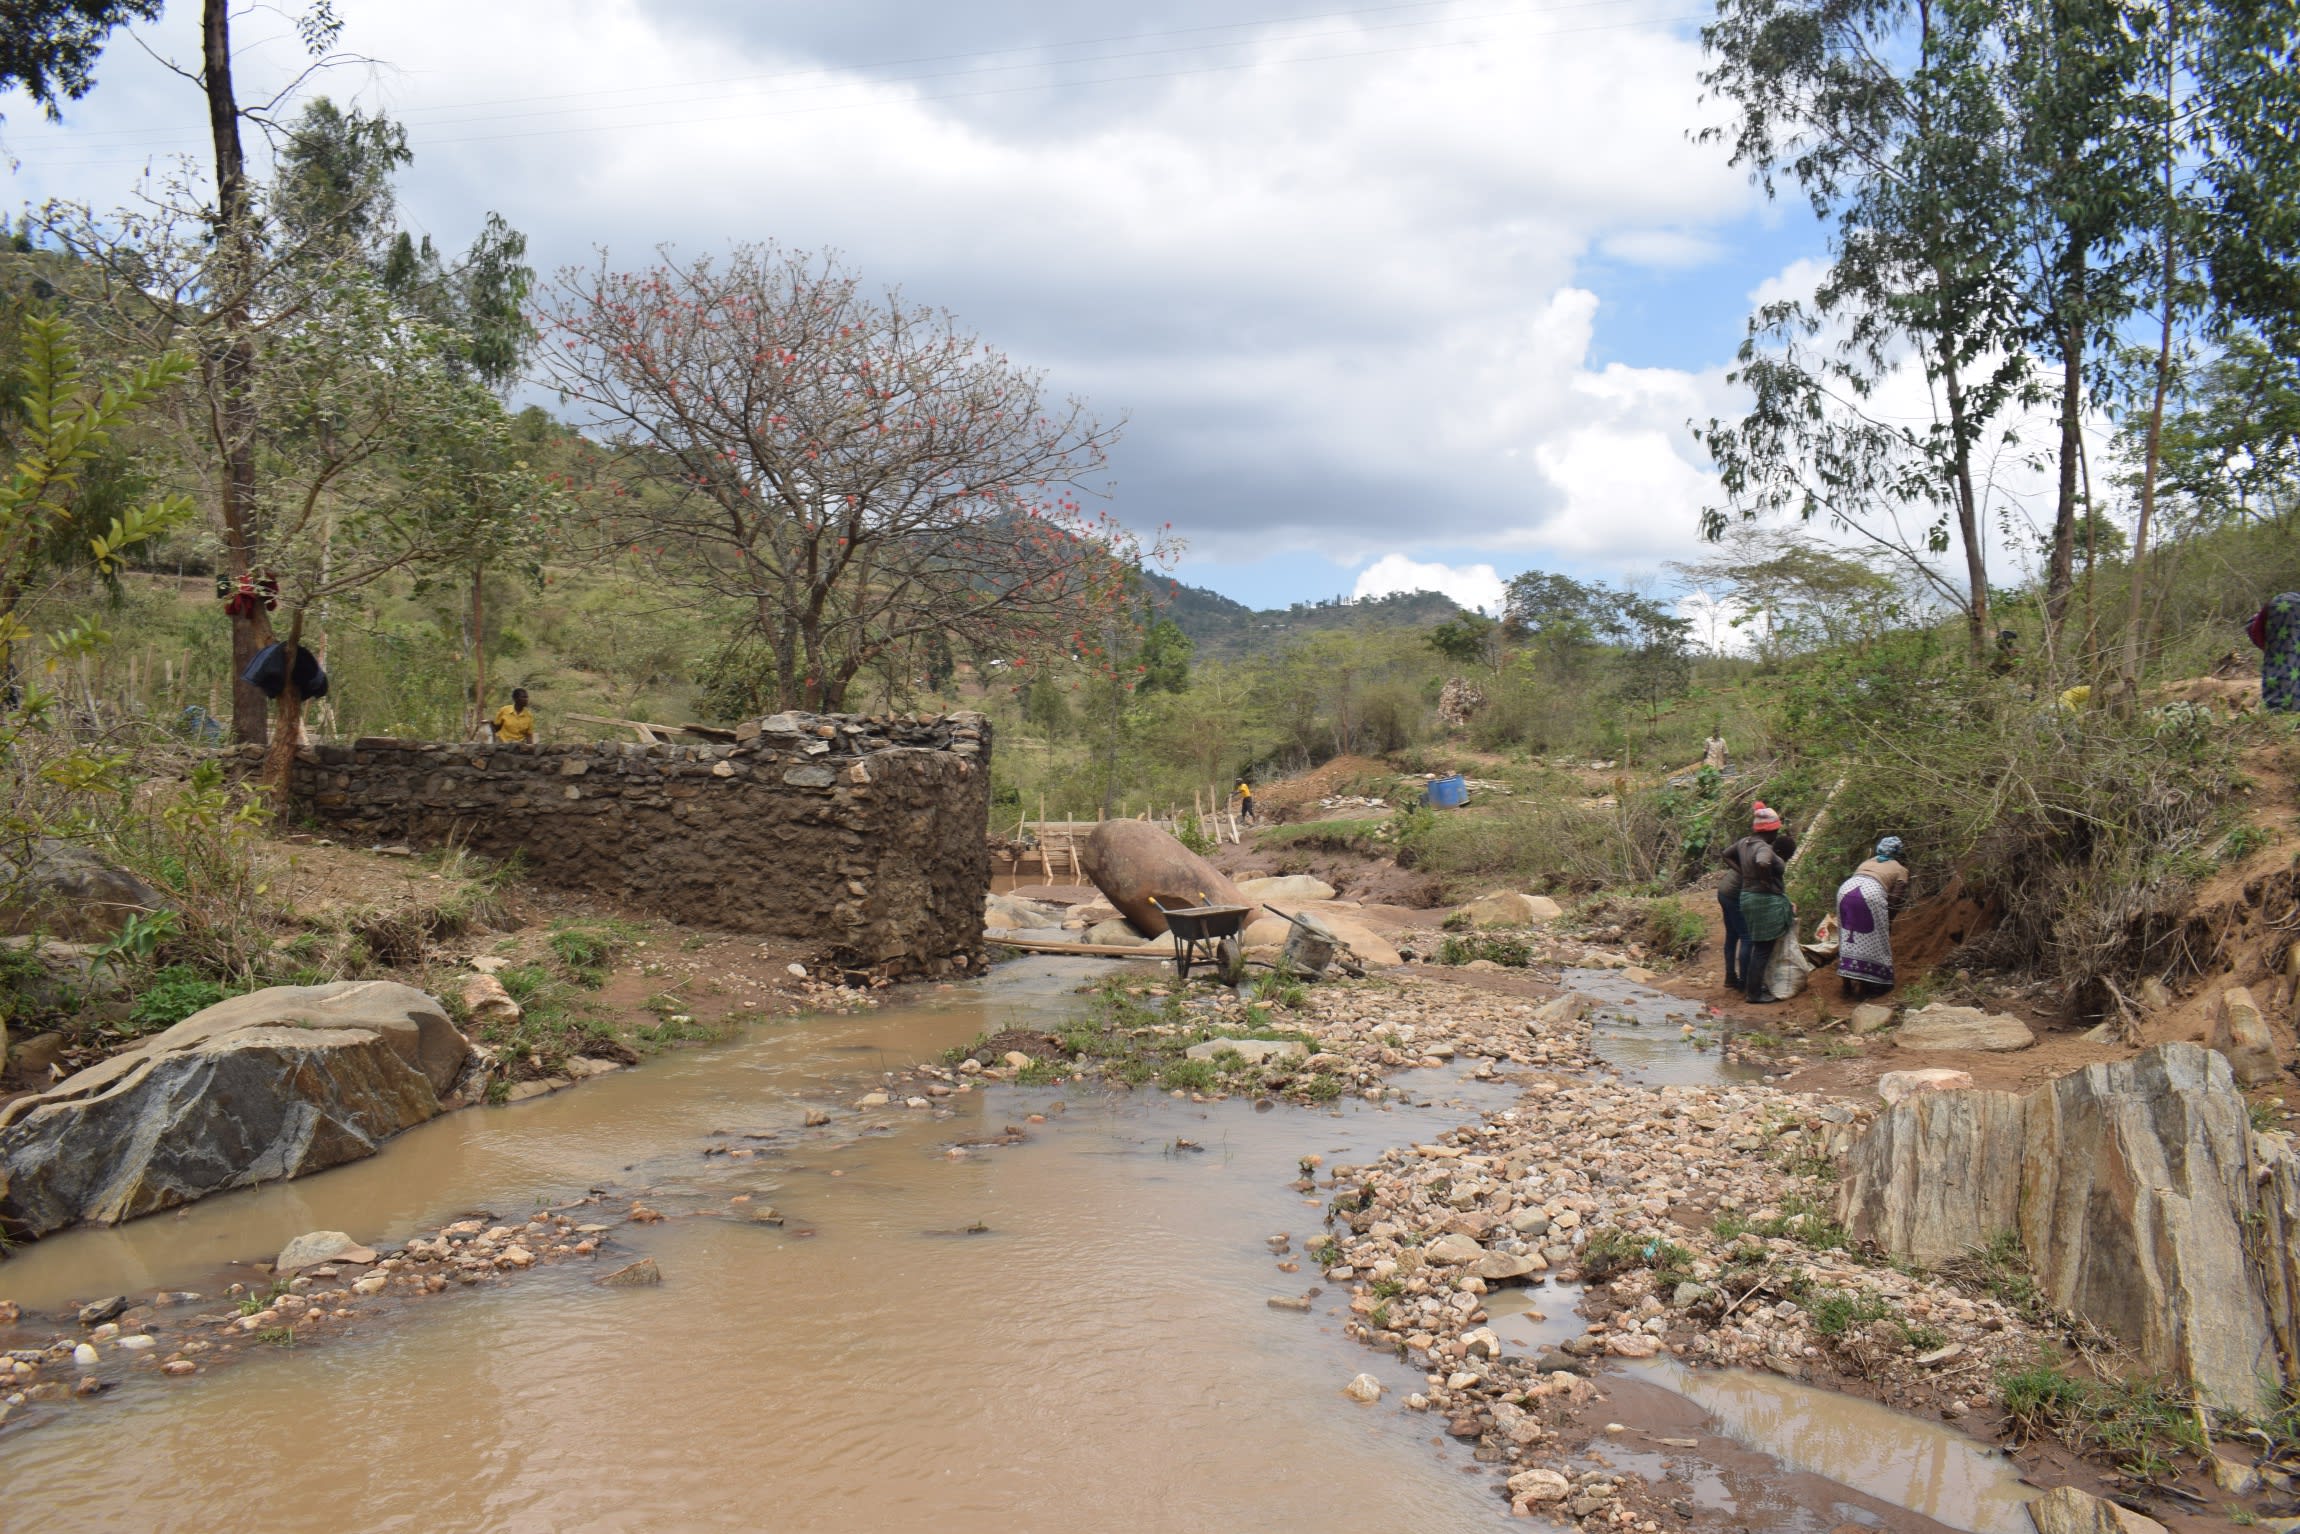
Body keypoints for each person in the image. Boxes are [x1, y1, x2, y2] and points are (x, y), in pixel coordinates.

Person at [1721, 802, 1798, 1003]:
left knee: (1750, 942)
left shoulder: (1744, 843)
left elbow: (1726, 855)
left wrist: (1746, 874)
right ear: (1770, 830)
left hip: (1746, 896)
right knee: (1761, 948)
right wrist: (1766, 882)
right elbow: (1763, 862)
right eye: (1776, 830)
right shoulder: (1763, 847)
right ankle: (1753, 992)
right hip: (1761, 899)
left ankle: (1744, 983)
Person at [1835, 836, 1910, 998]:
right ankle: (1872, 984)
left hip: (1845, 890)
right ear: (1898, 853)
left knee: (1847, 936)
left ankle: (1846, 986)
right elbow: (1895, 899)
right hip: (1872, 893)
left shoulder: (1867, 862)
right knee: (1876, 940)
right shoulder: (1900, 869)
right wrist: (1886, 922)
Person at [2247, 593, 2300, 714]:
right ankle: (2292, 706)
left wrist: (2271, 650)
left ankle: (2277, 705)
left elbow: (2256, 632)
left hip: (2275, 608)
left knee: (2279, 662)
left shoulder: (2264, 615)